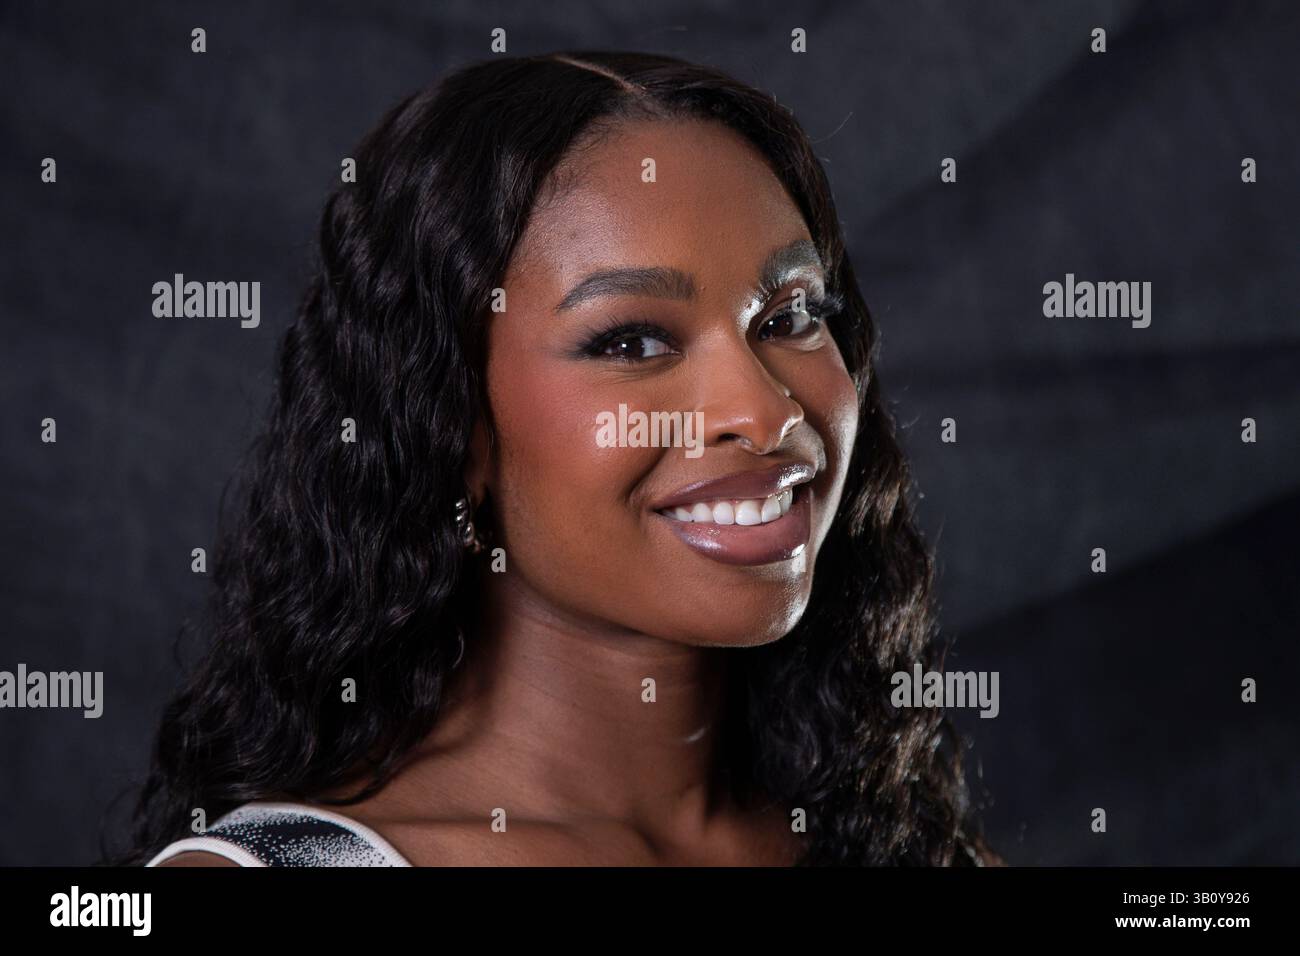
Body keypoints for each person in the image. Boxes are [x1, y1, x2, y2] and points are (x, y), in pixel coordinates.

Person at [113, 50, 999, 867]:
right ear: (450, 429)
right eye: (631, 342)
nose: (764, 413)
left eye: (790, 316)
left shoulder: (883, 830)